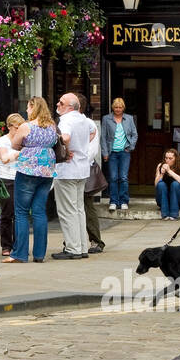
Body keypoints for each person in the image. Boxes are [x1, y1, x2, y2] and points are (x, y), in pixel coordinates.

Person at [5, 96, 57, 263]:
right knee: (39, 211)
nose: (26, 110)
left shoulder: (26, 126)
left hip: (28, 170)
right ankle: (39, 254)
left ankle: (19, 254)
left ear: (34, 108)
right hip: (47, 170)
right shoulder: (52, 126)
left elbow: (14, 144)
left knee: (21, 212)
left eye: (28, 107)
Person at [53, 92, 97, 259]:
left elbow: (65, 137)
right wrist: (80, 147)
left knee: (67, 211)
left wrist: (63, 148)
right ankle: (81, 247)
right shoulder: (84, 119)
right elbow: (92, 132)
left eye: (61, 103)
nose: (58, 105)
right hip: (82, 169)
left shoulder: (67, 120)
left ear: (70, 107)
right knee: (79, 209)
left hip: (67, 170)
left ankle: (73, 248)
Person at [0, 113, 23, 258]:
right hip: (6, 178)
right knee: (6, 213)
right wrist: (19, 152)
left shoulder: (24, 140)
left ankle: (18, 245)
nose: (19, 130)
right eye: (17, 127)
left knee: (20, 214)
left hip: (21, 177)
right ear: (10, 127)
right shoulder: (3, 141)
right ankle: (6, 245)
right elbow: (4, 158)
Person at [101, 97, 137, 212]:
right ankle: (113, 201)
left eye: (120, 107)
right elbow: (103, 137)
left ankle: (124, 201)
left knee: (123, 177)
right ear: (113, 108)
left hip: (124, 152)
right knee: (113, 177)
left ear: (123, 108)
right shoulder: (106, 119)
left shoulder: (129, 119)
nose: (118, 109)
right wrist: (105, 153)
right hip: (112, 153)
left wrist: (130, 147)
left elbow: (134, 134)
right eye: (116, 107)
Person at [80, 95, 106, 253]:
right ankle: (76, 239)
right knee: (75, 208)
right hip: (73, 170)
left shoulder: (88, 124)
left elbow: (92, 150)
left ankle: (96, 240)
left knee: (87, 206)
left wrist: (78, 163)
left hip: (84, 170)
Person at [153, 149, 180, 220]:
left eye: (170, 158)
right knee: (161, 184)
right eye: (166, 158)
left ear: (176, 159)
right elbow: (156, 184)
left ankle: (174, 215)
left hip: (179, 201)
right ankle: (165, 215)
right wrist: (162, 174)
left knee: (175, 184)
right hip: (163, 201)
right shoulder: (160, 166)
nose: (167, 160)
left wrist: (169, 171)